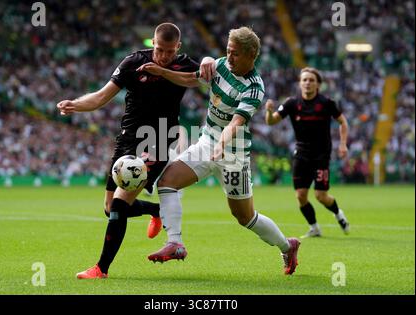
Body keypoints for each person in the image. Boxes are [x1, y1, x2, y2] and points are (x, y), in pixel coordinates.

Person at [138, 26, 301, 275]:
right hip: (206, 143)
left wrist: (222, 145)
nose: (229, 57)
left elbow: (237, 122)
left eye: (235, 53)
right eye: (227, 51)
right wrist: (161, 71)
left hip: (233, 156)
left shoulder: (254, 87)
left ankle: (286, 246)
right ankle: (175, 243)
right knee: (167, 182)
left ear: (251, 55)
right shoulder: (222, 65)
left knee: (244, 217)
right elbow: (192, 79)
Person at [57, 23, 200, 279]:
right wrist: (75, 105)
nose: (164, 55)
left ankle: (101, 268)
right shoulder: (133, 62)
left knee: (120, 204)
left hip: (157, 139)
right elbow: (102, 96)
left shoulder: (185, 66)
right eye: (159, 49)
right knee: (109, 207)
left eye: (169, 51)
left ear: (178, 47)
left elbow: (196, 80)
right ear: (152, 43)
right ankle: (155, 210)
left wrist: (161, 71)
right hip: (128, 139)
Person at [265, 67, 350, 238]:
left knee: (320, 196)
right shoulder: (291, 103)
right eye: (304, 80)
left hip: (321, 155)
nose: (307, 83)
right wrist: (268, 111)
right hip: (301, 154)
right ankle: (314, 228)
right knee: (301, 195)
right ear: (300, 83)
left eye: (311, 80)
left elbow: (343, 122)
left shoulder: (326, 103)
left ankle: (338, 214)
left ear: (318, 84)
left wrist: (343, 144)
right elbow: (271, 121)